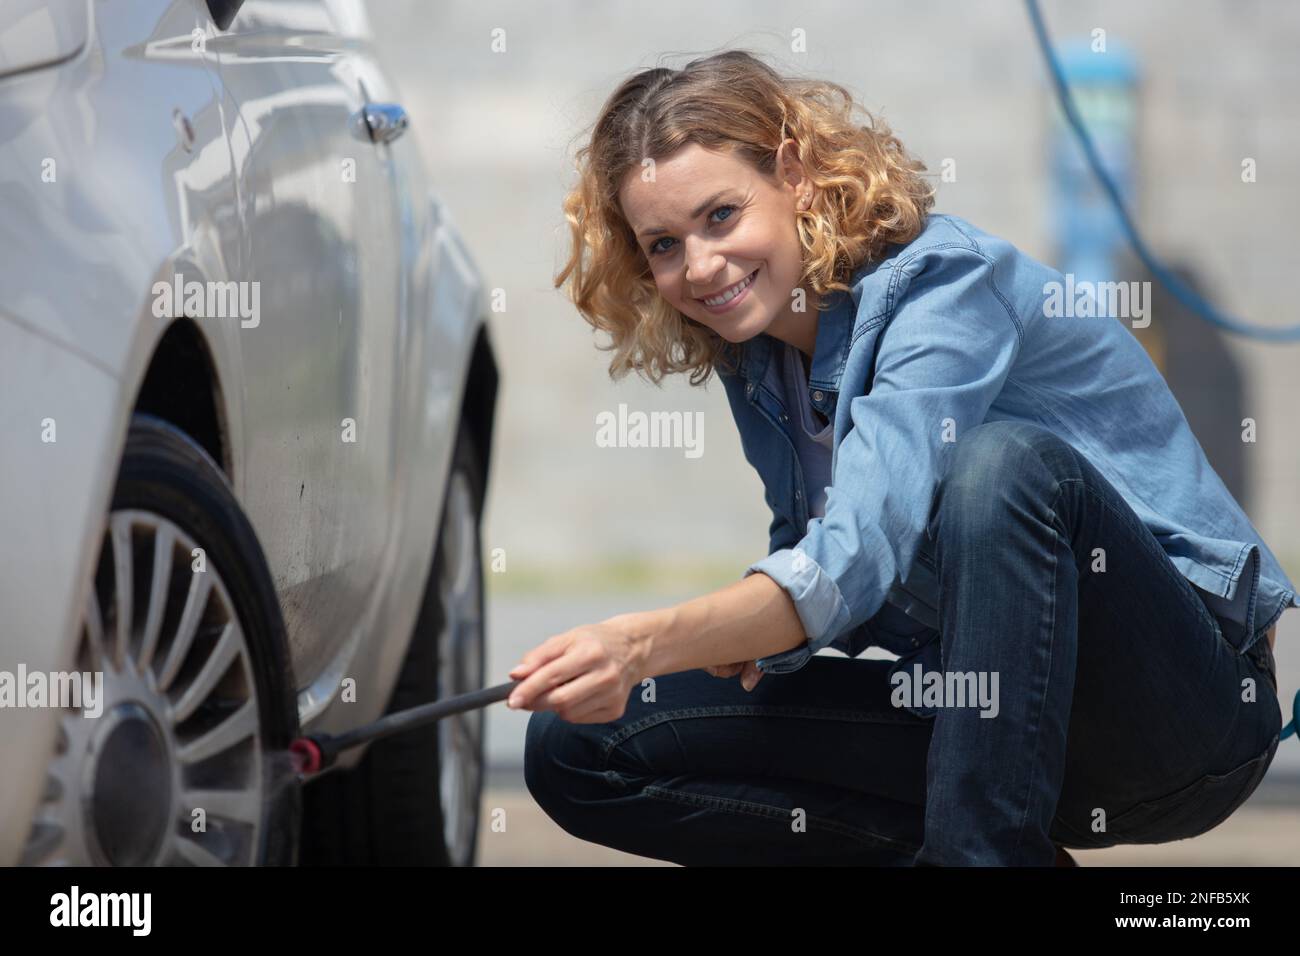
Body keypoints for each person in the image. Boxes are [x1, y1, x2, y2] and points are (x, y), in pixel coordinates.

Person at [507, 49, 1294, 866]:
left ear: (796, 173)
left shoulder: (943, 286)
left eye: (720, 216)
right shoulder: (758, 355)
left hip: (1179, 719)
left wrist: (643, 643)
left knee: (1005, 467)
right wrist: (736, 634)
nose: (700, 267)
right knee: (578, 745)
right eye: (663, 244)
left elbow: (857, 552)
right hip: (990, 729)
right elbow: (821, 565)